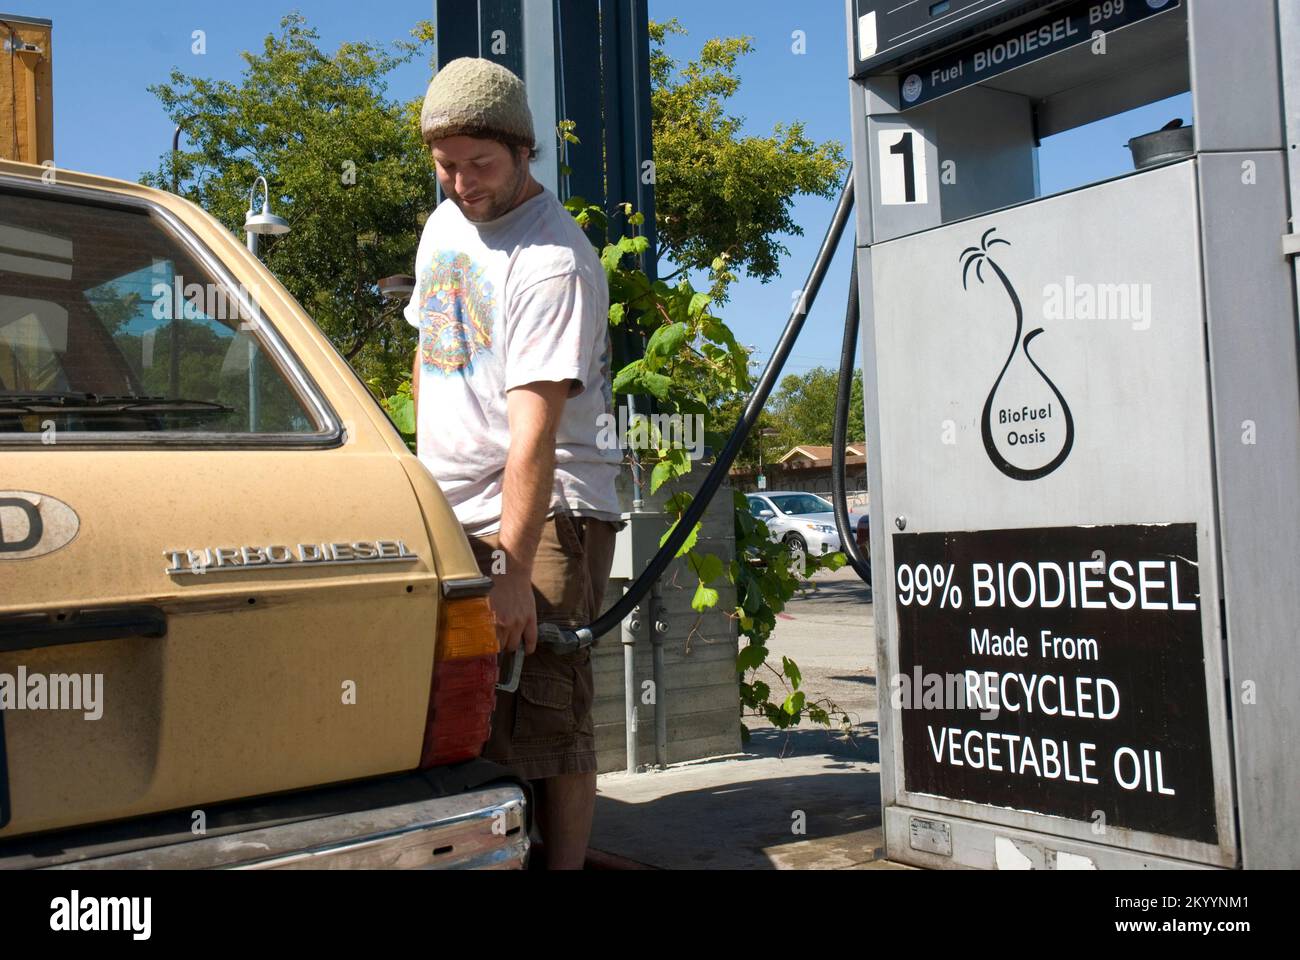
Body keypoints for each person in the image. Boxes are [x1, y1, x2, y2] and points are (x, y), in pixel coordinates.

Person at [405, 57, 623, 869]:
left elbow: (534, 434)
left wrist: (511, 569)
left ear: (525, 151)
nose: (463, 183)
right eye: (446, 165)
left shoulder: (553, 261)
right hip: (452, 509)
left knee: (546, 721)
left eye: (481, 164)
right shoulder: (442, 228)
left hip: (546, 513)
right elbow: (430, 356)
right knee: (465, 714)